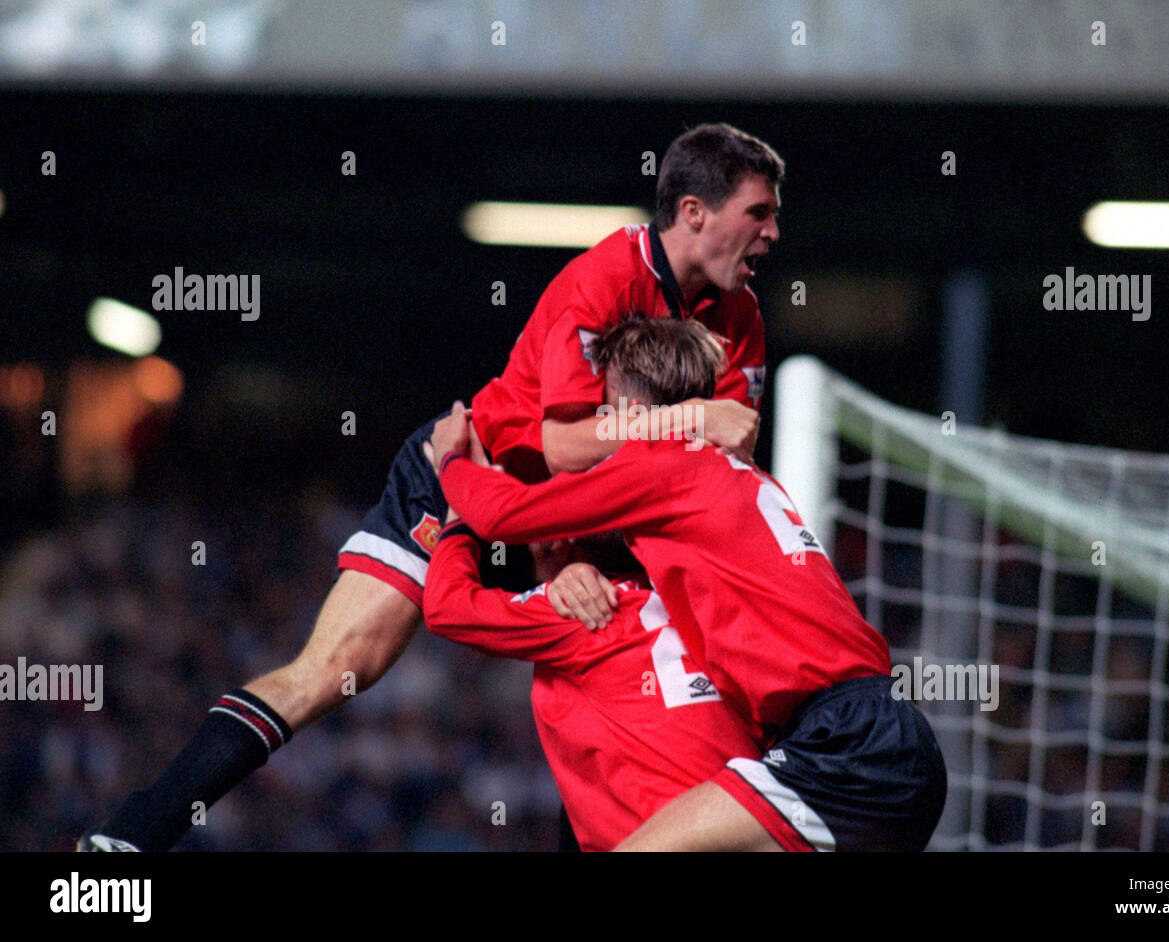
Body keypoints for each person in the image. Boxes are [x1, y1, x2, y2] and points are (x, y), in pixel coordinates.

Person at [78, 123, 784, 851]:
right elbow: (566, 445)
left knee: (634, 701)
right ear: (695, 212)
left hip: (594, 520)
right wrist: (692, 418)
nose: (772, 233)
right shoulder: (604, 277)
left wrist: (586, 549)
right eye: (759, 213)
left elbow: (727, 457)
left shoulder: (742, 319)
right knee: (337, 669)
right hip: (473, 474)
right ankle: (129, 839)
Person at [428, 316, 948, 852]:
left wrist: (448, 461)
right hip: (877, 738)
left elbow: (504, 516)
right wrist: (570, 571)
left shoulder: (658, 466)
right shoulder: (740, 477)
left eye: (602, 410)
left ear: (628, 413)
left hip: (846, 742)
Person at [424, 508, 761, 851]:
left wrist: (458, 520)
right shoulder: (582, 611)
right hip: (733, 825)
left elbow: (445, 605)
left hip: (715, 827)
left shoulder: (601, 609)